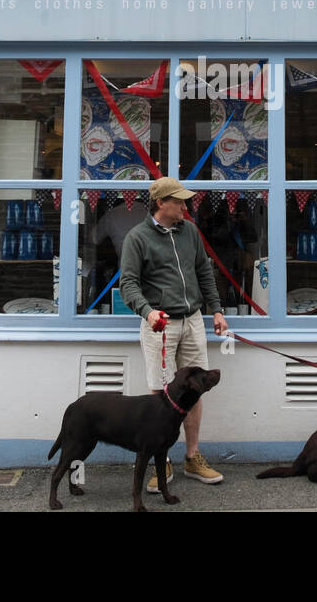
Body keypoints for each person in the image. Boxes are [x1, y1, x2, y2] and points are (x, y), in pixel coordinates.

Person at [120, 176, 228, 490]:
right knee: (159, 395)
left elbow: (204, 271)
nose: (185, 206)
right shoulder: (137, 238)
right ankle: (161, 461)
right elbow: (128, 283)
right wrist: (147, 311)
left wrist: (217, 310)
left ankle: (192, 457)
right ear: (160, 203)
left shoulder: (190, 231)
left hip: (193, 320)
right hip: (159, 324)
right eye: (179, 201)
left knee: (194, 389)